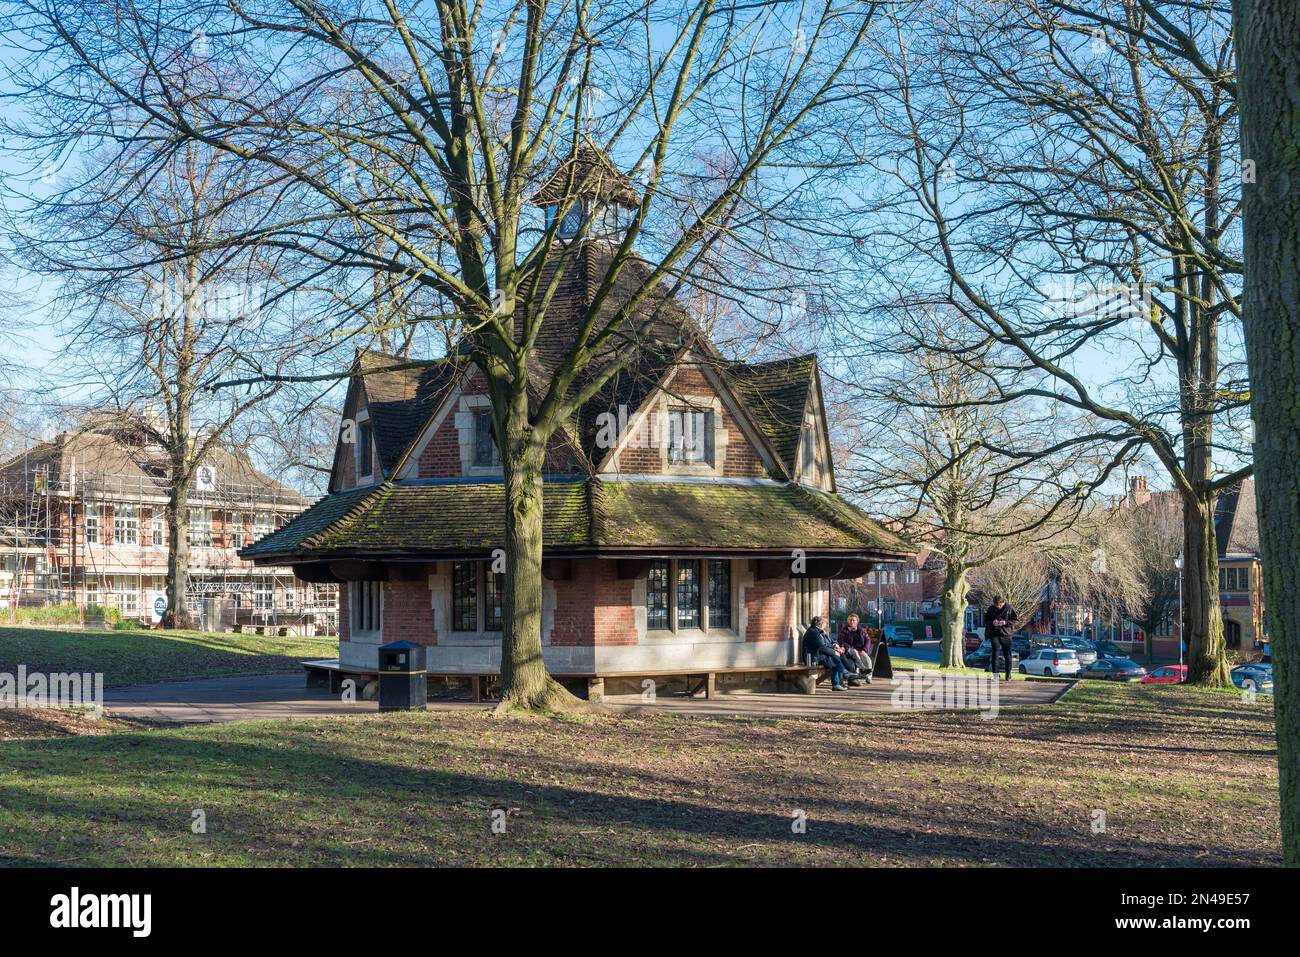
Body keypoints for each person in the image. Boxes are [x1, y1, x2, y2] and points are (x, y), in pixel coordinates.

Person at [801, 616, 860, 689]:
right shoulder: (813, 632)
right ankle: (840, 680)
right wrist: (834, 652)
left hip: (818, 655)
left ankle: (840, 680)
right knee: (834, 658)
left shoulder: (818, 631)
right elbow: (822, 647)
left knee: (835, 657)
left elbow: (829, 642)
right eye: (825, 624)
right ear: (821, 624)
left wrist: (835, 646)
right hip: (813, 658)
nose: (826, 626)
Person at [983, 595, 1018, 680]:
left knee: (1008, 655)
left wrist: (1005, 622)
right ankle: (995, 675)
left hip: (1006, 634)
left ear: (1003, 603)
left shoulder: (1009, 608)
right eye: (996, 605)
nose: (998, 607)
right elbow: (986, 621)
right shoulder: (991, 609)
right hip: (994, 634)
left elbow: (1015, 620)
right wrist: (992, 622)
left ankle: (1008, 674)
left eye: (999, 605)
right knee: (995, 654)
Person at [836, 613, 875, 683]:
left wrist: (864, 650)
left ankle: (868, 677)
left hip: (861, 650)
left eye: (853, 620)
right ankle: (860, 671)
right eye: (850, 620)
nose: (852, 622)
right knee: (855, 654)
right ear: (848, 621)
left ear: (857, 621)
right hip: (849, 649)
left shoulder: (861, 630)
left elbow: (868, 640)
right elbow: (840, 640)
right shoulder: (844, 630)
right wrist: (847, 647)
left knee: (867, 659)